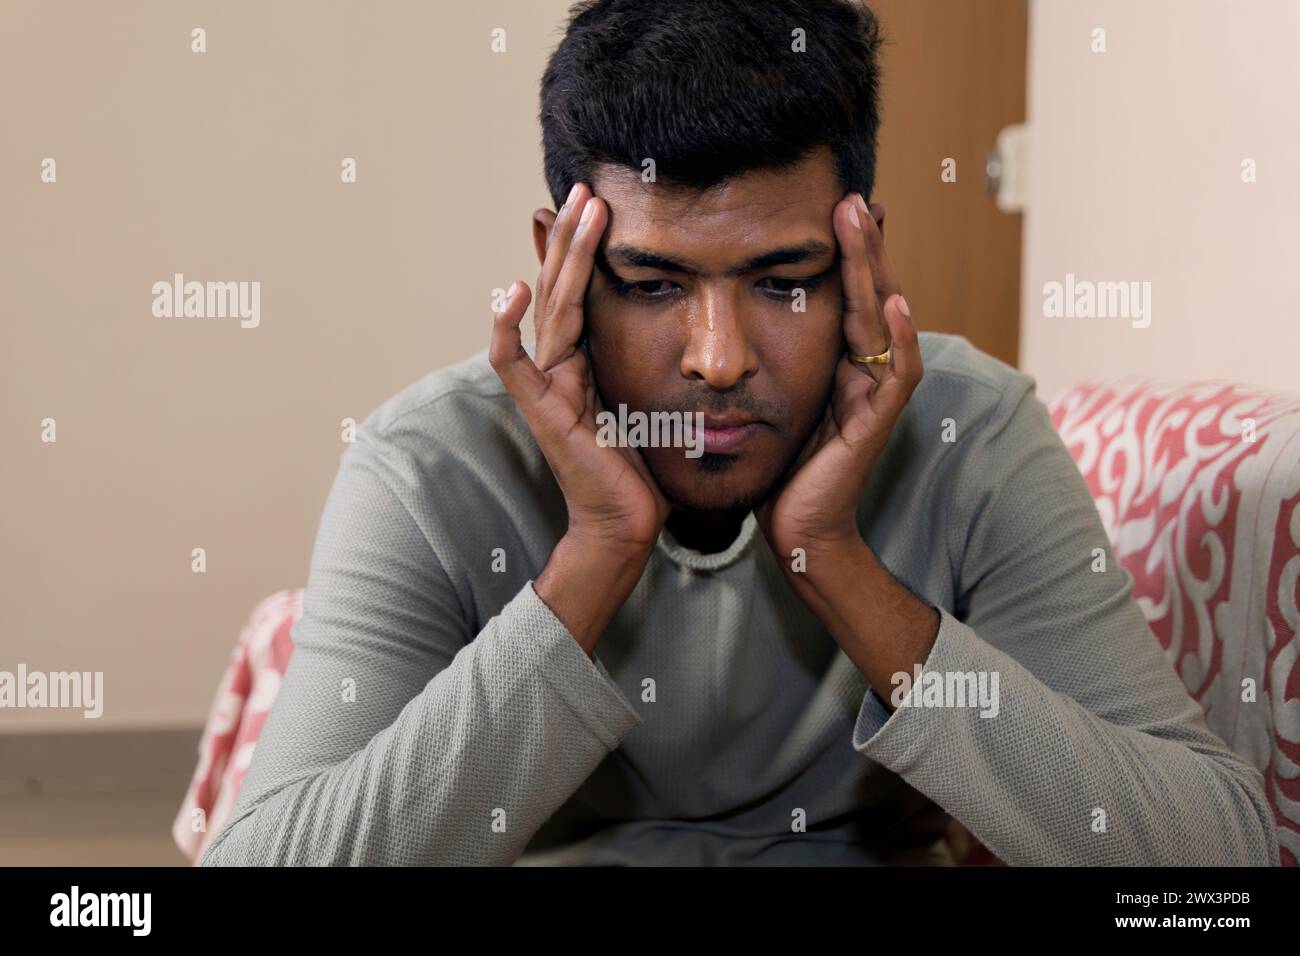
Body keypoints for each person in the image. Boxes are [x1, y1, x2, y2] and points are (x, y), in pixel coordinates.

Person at [199, 0, 1277, 866]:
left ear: (859, 257)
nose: (718, 358)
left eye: (783, 280)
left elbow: (1214, 860)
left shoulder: (969, 433)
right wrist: (595, 556)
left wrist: (839, 559)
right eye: (652, 282)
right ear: (560, 265)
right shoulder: (430, 465)